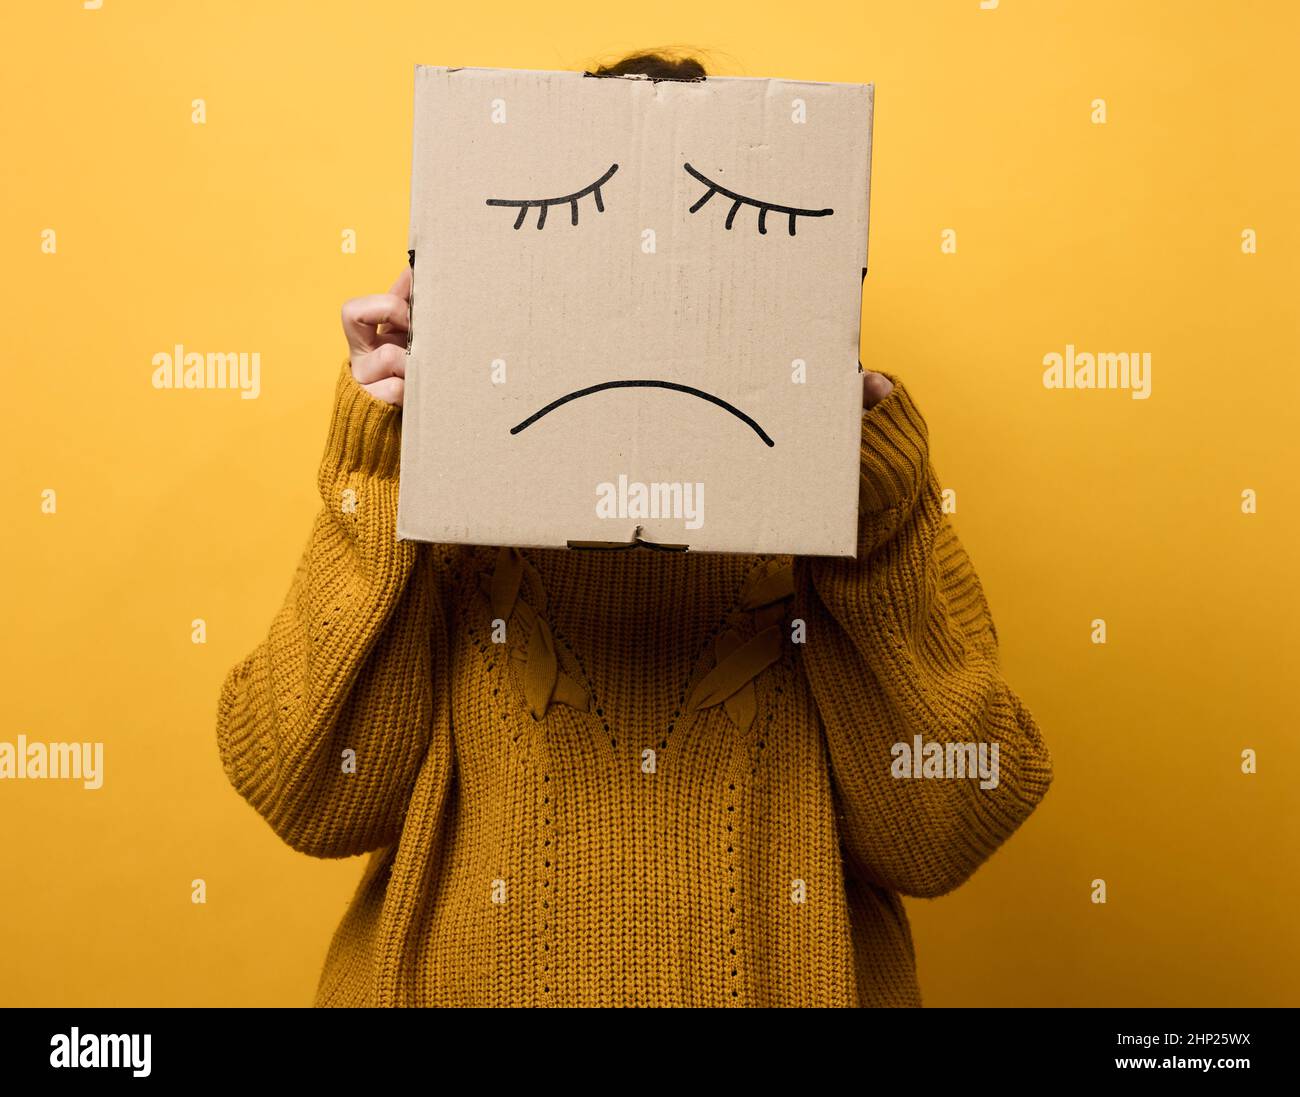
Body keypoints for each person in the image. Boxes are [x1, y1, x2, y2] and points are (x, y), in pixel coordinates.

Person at [215, 49, 1053, 1008]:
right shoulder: (442, 492)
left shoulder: (852, 502)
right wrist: (378, 467)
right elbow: (307, 792)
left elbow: (942, 829)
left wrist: (872, 506)